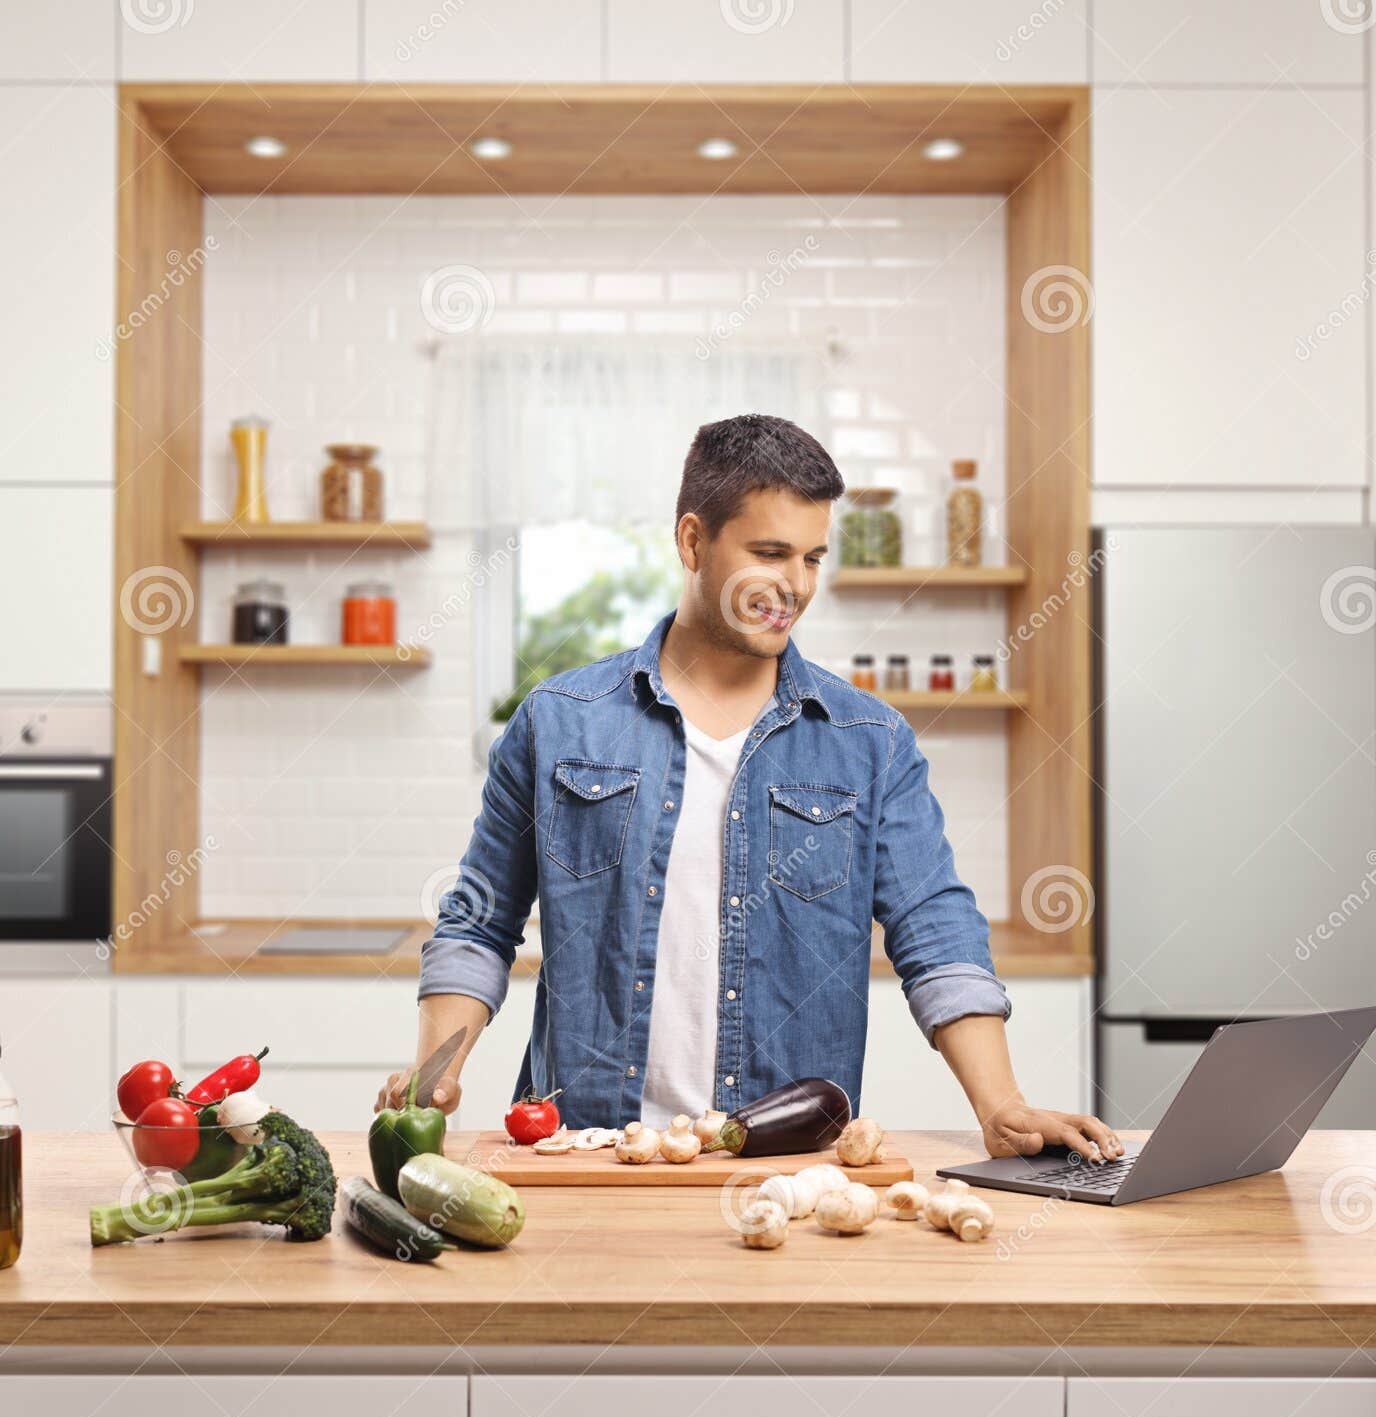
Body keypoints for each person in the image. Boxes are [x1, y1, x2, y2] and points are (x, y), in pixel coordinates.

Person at [376, 414, 1122, 1165]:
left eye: (812, 557)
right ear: (693, 541)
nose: (794, 585)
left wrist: (1001, 1106)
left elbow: (936, 933)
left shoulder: (869, 740)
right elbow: (478, 923)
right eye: (769, 553)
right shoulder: (560, 723)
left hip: (784, 1169)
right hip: (591, 1156)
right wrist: (437, 1068)